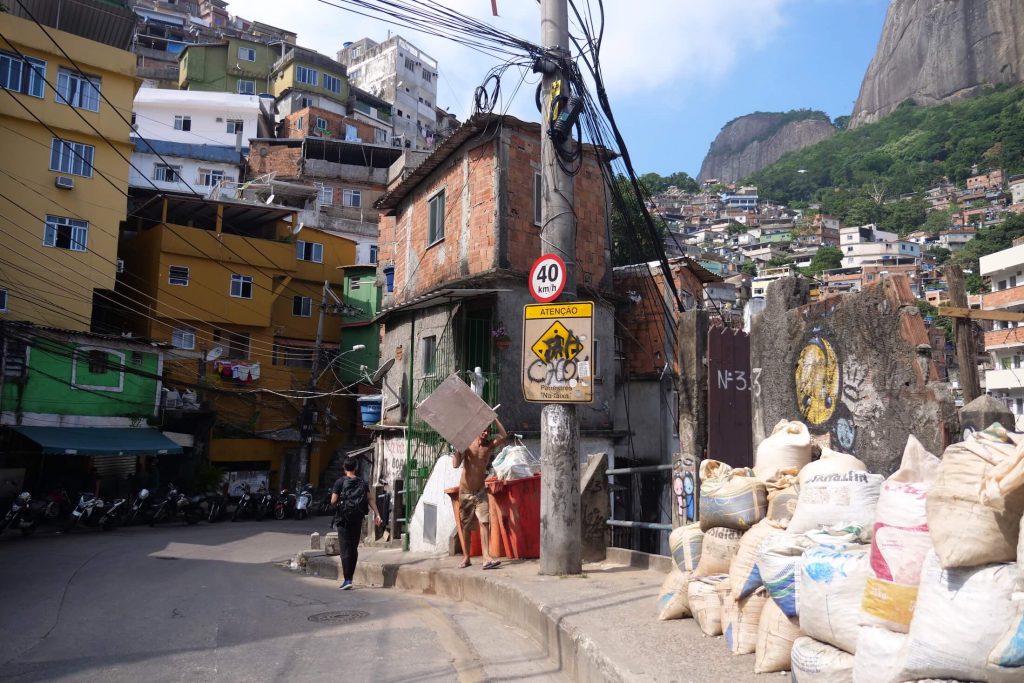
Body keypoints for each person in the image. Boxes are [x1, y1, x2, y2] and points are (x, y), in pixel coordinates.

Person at [452, 418, 508, 570]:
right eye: (483, 430)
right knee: (466, 526)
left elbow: (504, 435)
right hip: (465, 492)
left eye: (488, 431)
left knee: (485, 522)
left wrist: (495, 418)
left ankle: (486, 557)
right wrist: (458, 449)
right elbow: (455, 465)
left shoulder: (488, 446)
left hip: (480, 491)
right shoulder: (467, 446)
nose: (485, 433)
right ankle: (466, 557)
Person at [331, 457, 382, 590]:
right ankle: (350, 578)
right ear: (356, 468)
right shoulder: (362, 482)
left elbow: (333, 500)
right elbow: (370, 499)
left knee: (345, 548)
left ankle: (347, 579)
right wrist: (377, 514)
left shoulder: (340, 482)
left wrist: (341, 506)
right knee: (353, 547)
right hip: (357, 518)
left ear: (344, 468)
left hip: (343, 519)